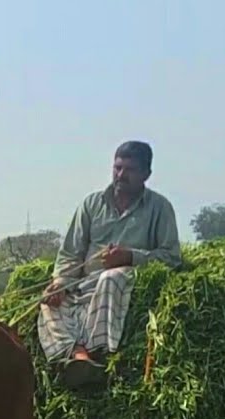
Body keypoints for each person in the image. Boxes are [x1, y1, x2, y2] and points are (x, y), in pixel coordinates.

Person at [38, 140, 182, 389]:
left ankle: (100, 355)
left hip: (125, 287)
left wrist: (130, 257)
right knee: (47, 301)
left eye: (130, 170)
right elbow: (70, 253)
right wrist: (60, 282)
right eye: (117, 167)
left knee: (111, 277)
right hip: (83, 286)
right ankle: (78, 355)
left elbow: (172, 258)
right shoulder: (91, 204)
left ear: (146, 174)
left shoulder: (160, 208)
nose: (121, 175)